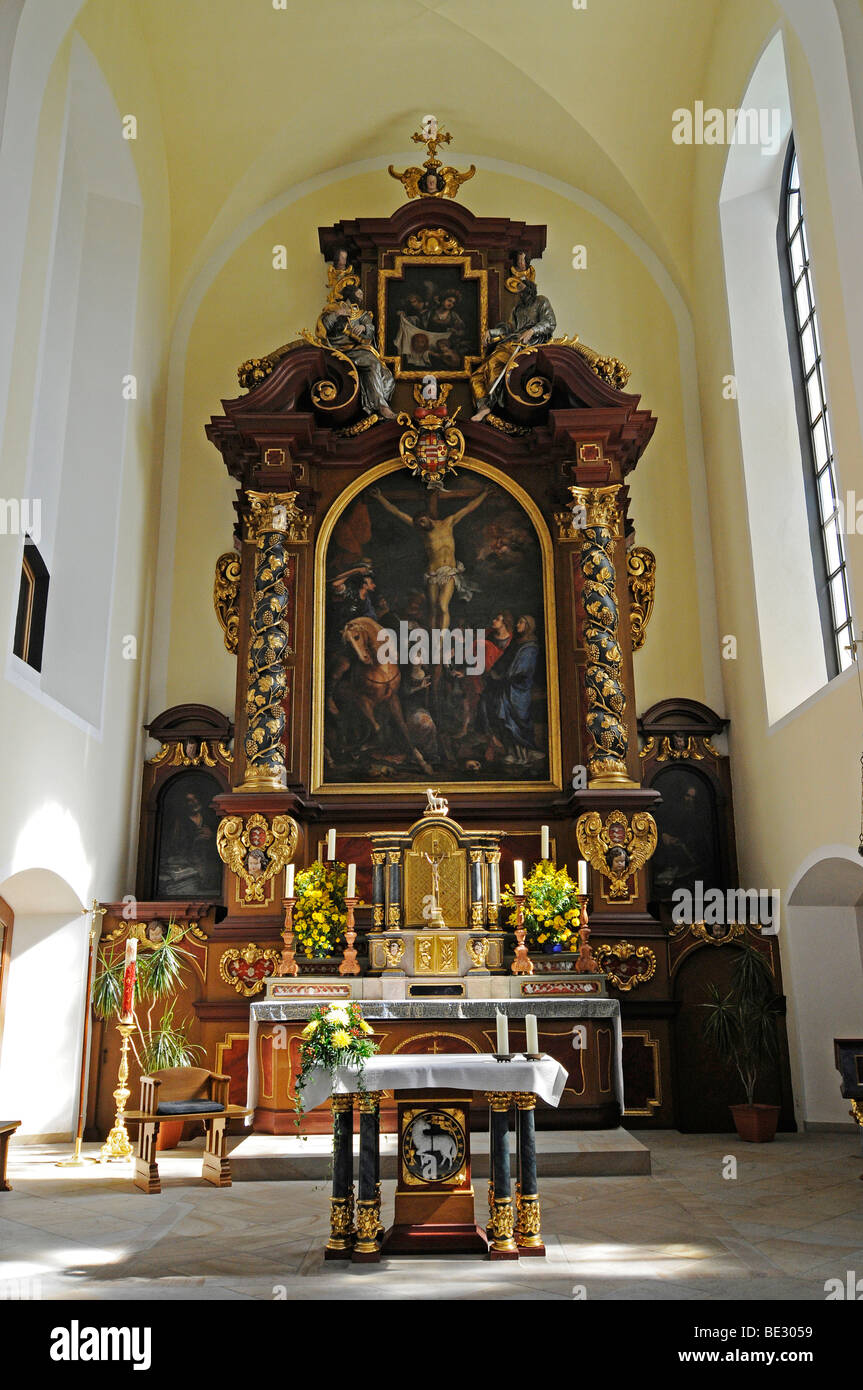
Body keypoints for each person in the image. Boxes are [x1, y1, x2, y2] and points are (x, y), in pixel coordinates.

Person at [369, 486, 488, 633]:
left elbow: (468, 508)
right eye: (418, 523)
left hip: (449, 572)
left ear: (427, 517)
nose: (421, 524)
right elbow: (396, 512)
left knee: (442, 606)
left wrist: (484, 494)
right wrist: (380, 497)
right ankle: (433, 638)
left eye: (422, 521)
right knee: (432, 608)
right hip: (432, 574)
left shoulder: (448, 522)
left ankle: (442, 638)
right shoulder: (422, 532)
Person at [470, 279, 556, 421]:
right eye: (519, 293)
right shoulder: (518, 309)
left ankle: (493, 403)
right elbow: (509, 327)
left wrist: (533, 331)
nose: (520, 295)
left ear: (530, 290)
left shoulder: (541, 301)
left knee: (494, 364)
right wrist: (491, 332)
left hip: (525, 345)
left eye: (522, 291)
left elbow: (550, 322)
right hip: (510, 342)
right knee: (476, 377)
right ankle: (482, 407)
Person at [320, 282, 396, 419]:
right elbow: (324, 325)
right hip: (341, 351)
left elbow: (370, 331)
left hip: (360, 348)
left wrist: (364, 328)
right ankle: (381, 407)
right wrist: (337, 314)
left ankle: (375, 406)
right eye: (359, 293)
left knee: (388, 377)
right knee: (372, 364)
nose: (361, 297)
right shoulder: (334, 308)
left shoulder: (362, 314)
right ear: (351, 294)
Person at [486, 614, 541, 765]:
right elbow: (504, 661)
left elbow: (522, 671)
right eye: (518, 622)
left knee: (519, 719)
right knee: (507, 721)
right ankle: (512, 753)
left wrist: (502, 677)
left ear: (528, 626)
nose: (517, 625)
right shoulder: (517, 643)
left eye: (521, 622)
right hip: (508, 688)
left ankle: (524, 755)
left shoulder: (531, 647)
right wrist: (494, 672)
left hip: (519, 689)